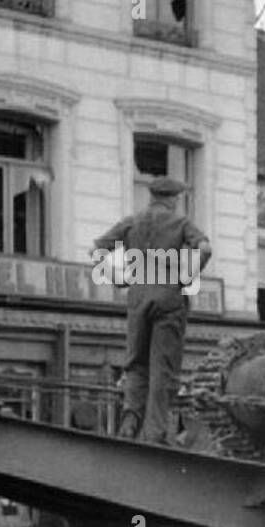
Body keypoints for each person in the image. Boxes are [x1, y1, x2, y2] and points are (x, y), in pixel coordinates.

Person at [95, 175, 212, 444]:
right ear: (172, 199)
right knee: (163, 368)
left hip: (138, 298)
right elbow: (205, 248)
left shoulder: (132, 222)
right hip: (169, 299)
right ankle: (154, 434)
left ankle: (129, 422)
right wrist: (188, 276)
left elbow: (98, 248)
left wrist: (117, 278)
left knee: (136, 364)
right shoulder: (180, 223)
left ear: (151, 197)